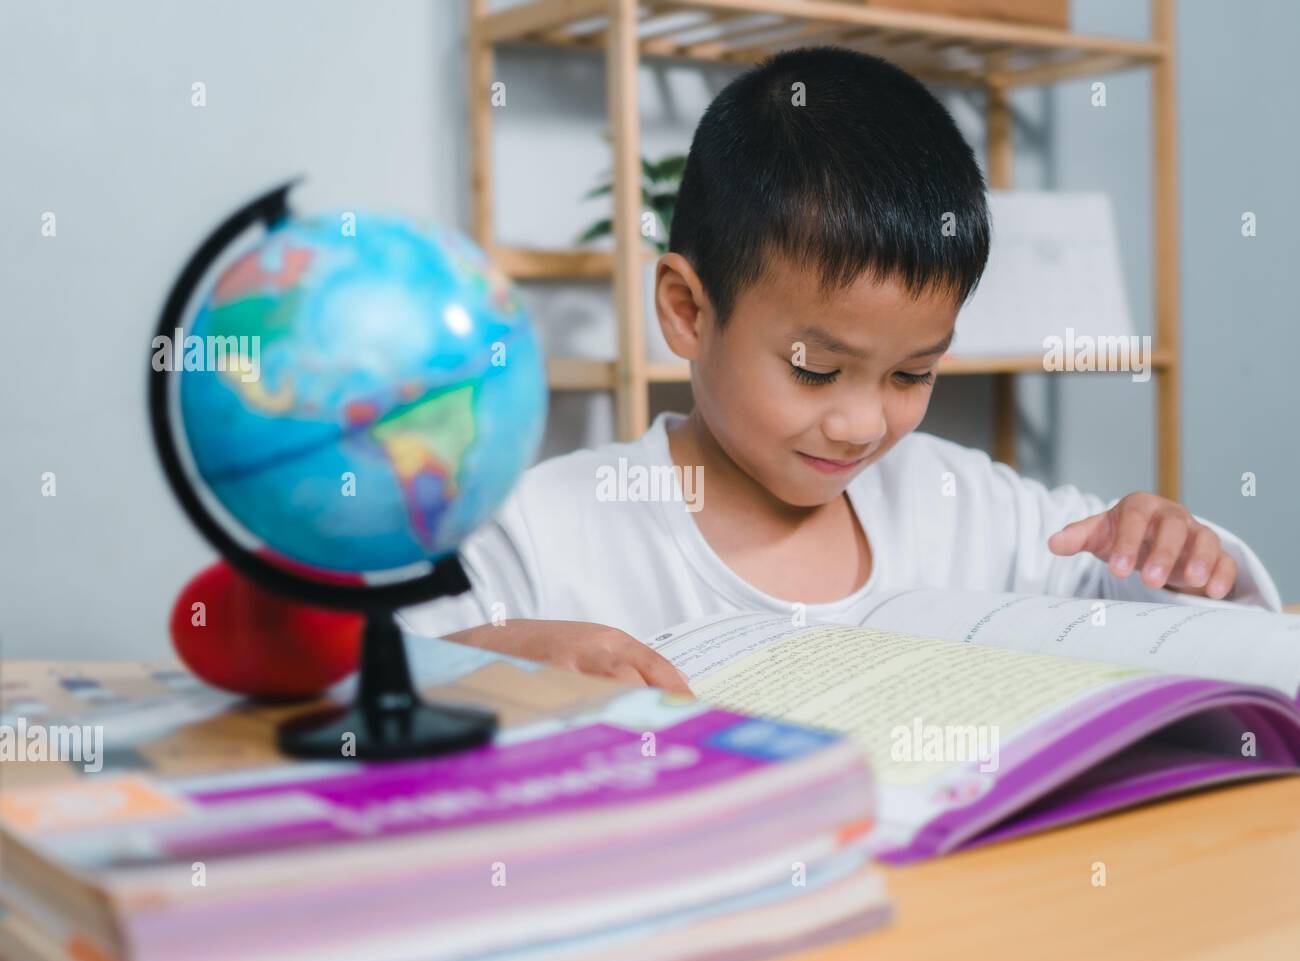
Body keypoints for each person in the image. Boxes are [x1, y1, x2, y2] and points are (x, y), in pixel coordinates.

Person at [403, 46, 1281, 693]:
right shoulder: (547, 530)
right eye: (817, 370)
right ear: (687, 310)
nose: (864, 425)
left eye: (911, 375)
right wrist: (501, 658)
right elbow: (357, 680)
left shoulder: (965, 507)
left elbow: (1143, 614)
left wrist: (1183, 560)